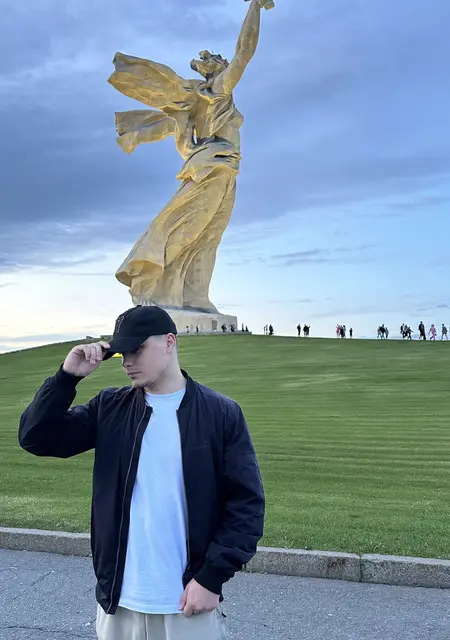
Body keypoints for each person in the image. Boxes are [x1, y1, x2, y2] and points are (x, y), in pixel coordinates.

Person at [18, 306, 265, 640]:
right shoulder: (110, 407)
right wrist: (67, 377)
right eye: (122, 353)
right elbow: (36, 438)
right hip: (119, 603)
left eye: (136, 349)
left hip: (188, 602)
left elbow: (246, 504)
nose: (127, 362)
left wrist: (211, 578)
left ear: (169, 342)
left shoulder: (220, 413)